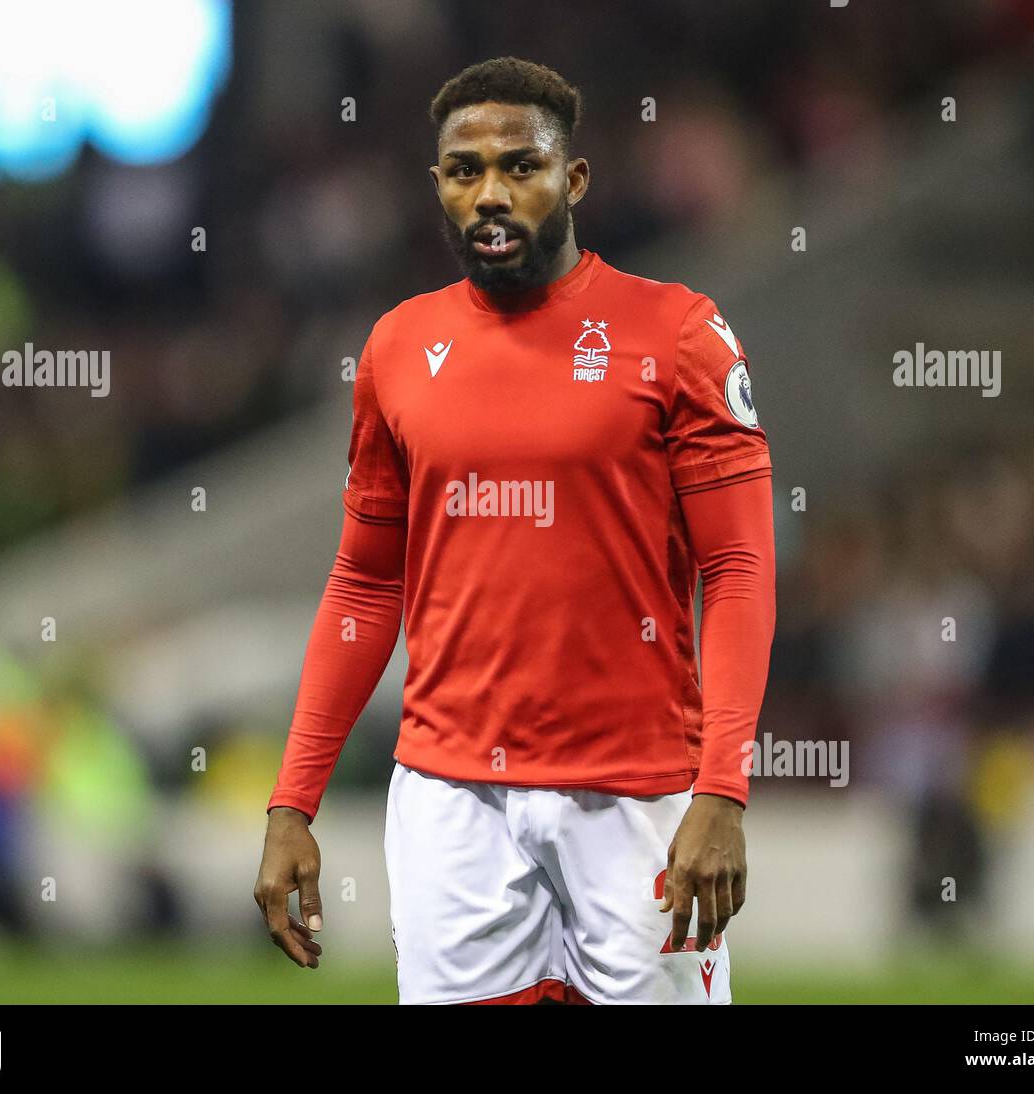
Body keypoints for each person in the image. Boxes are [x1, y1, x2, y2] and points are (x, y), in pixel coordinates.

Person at [254, 56, 776, 1005]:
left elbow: (737, 568)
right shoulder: (398, 349)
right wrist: (293, 801)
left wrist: (721, 791)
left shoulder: (680, 335)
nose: (491, 193)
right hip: (450, 800)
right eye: (464, 171)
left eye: (519, 167)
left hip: (636, 795)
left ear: (572, 180)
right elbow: (365, 586)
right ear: (438, 187)